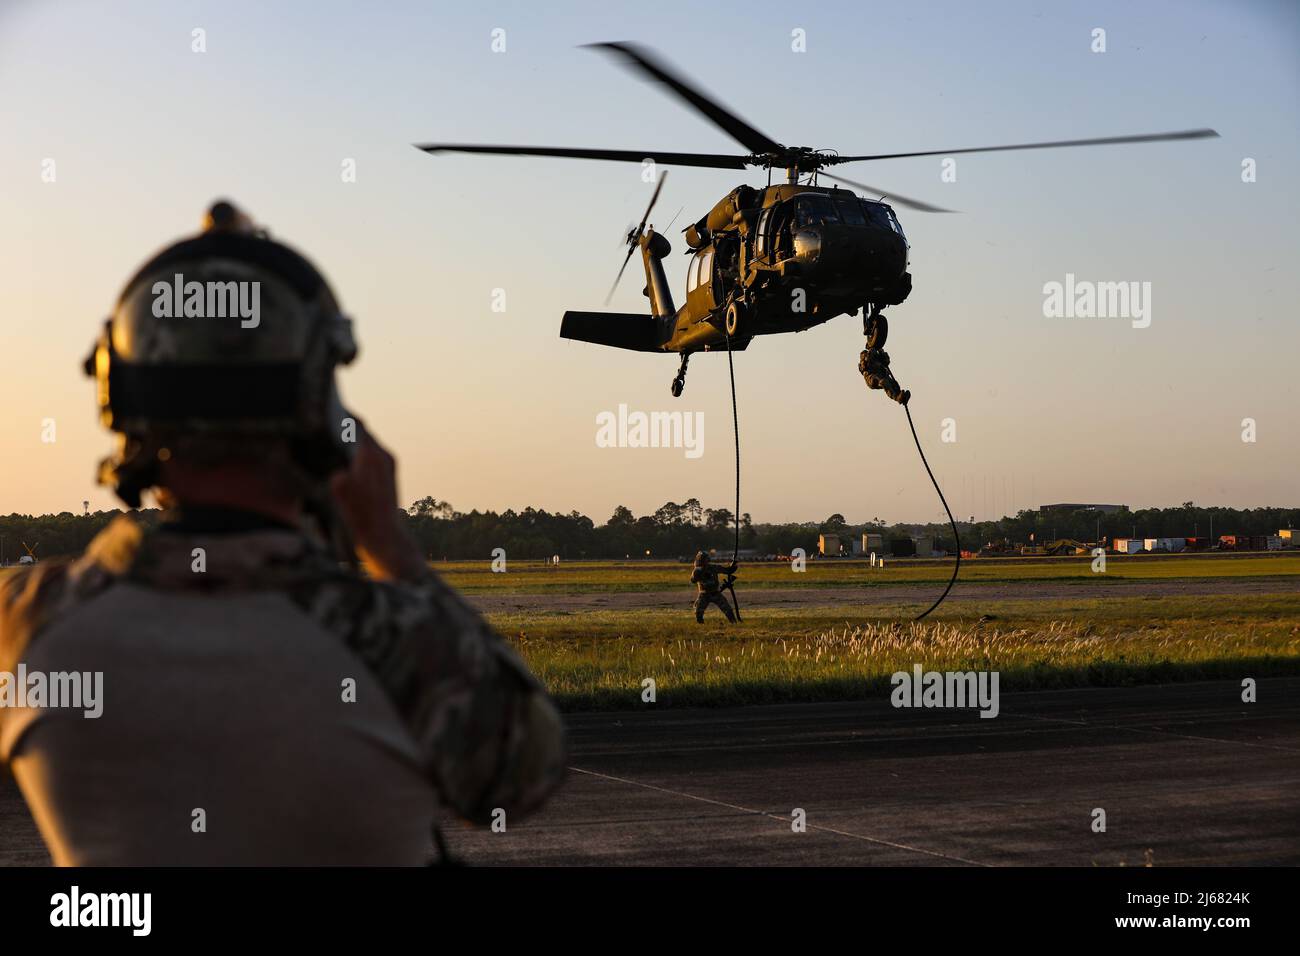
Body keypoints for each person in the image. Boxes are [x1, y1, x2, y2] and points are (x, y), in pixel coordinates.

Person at [0, 201, 566, 865]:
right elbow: (525, 776)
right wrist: (392, 549)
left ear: (119, 399)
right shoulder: (399, 642)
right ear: (318, 408)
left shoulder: (27, 623)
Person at [690, 550, 738, 623]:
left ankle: (733, 622)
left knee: (727, 609)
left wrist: (733, 565)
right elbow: (693, 580)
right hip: (704, 594)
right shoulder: (697, 571)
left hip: (715, 593)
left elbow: (728, 570)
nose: (705, 561)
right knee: (698, 611)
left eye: (706, 558)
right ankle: (701, 624)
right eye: (704, 559)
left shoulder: (713, 567)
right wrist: (698, 575)